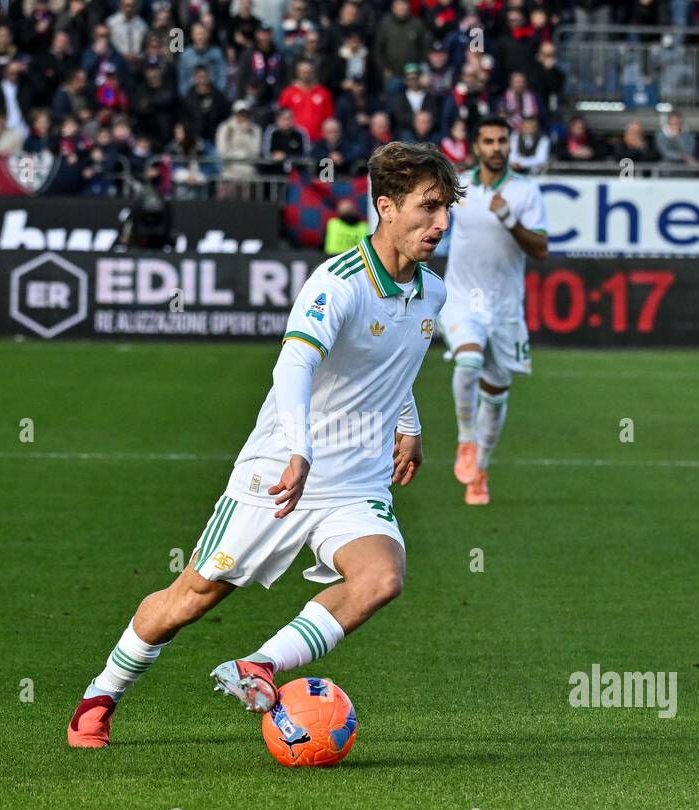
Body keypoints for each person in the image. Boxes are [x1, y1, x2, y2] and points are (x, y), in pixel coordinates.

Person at [68, 142, 463, 746]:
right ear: (386, 207)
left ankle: (261, 665)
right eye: (429, 208)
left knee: (381, 579)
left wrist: (408, 424)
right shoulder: (338, 284)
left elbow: (389, 365)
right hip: (279, 472)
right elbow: (293, 370)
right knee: (191, 597)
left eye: (447, 209)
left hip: (354, 481)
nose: (441, 223)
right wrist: (299, 451)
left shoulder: (429, 292)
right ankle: (100, 695)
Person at [437, 116, 548, 506]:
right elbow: (432, 223)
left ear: (510, 145)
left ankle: (480, 469)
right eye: (489, 141)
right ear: (476, 146)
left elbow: (540, 248)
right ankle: (466, 438)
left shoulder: (525, 193)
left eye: (503, 140)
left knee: (496, 392)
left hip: (504, 308)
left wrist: (510, 220)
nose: (496, 147)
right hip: (462, 298)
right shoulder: (458, 186)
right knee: (467, 363)